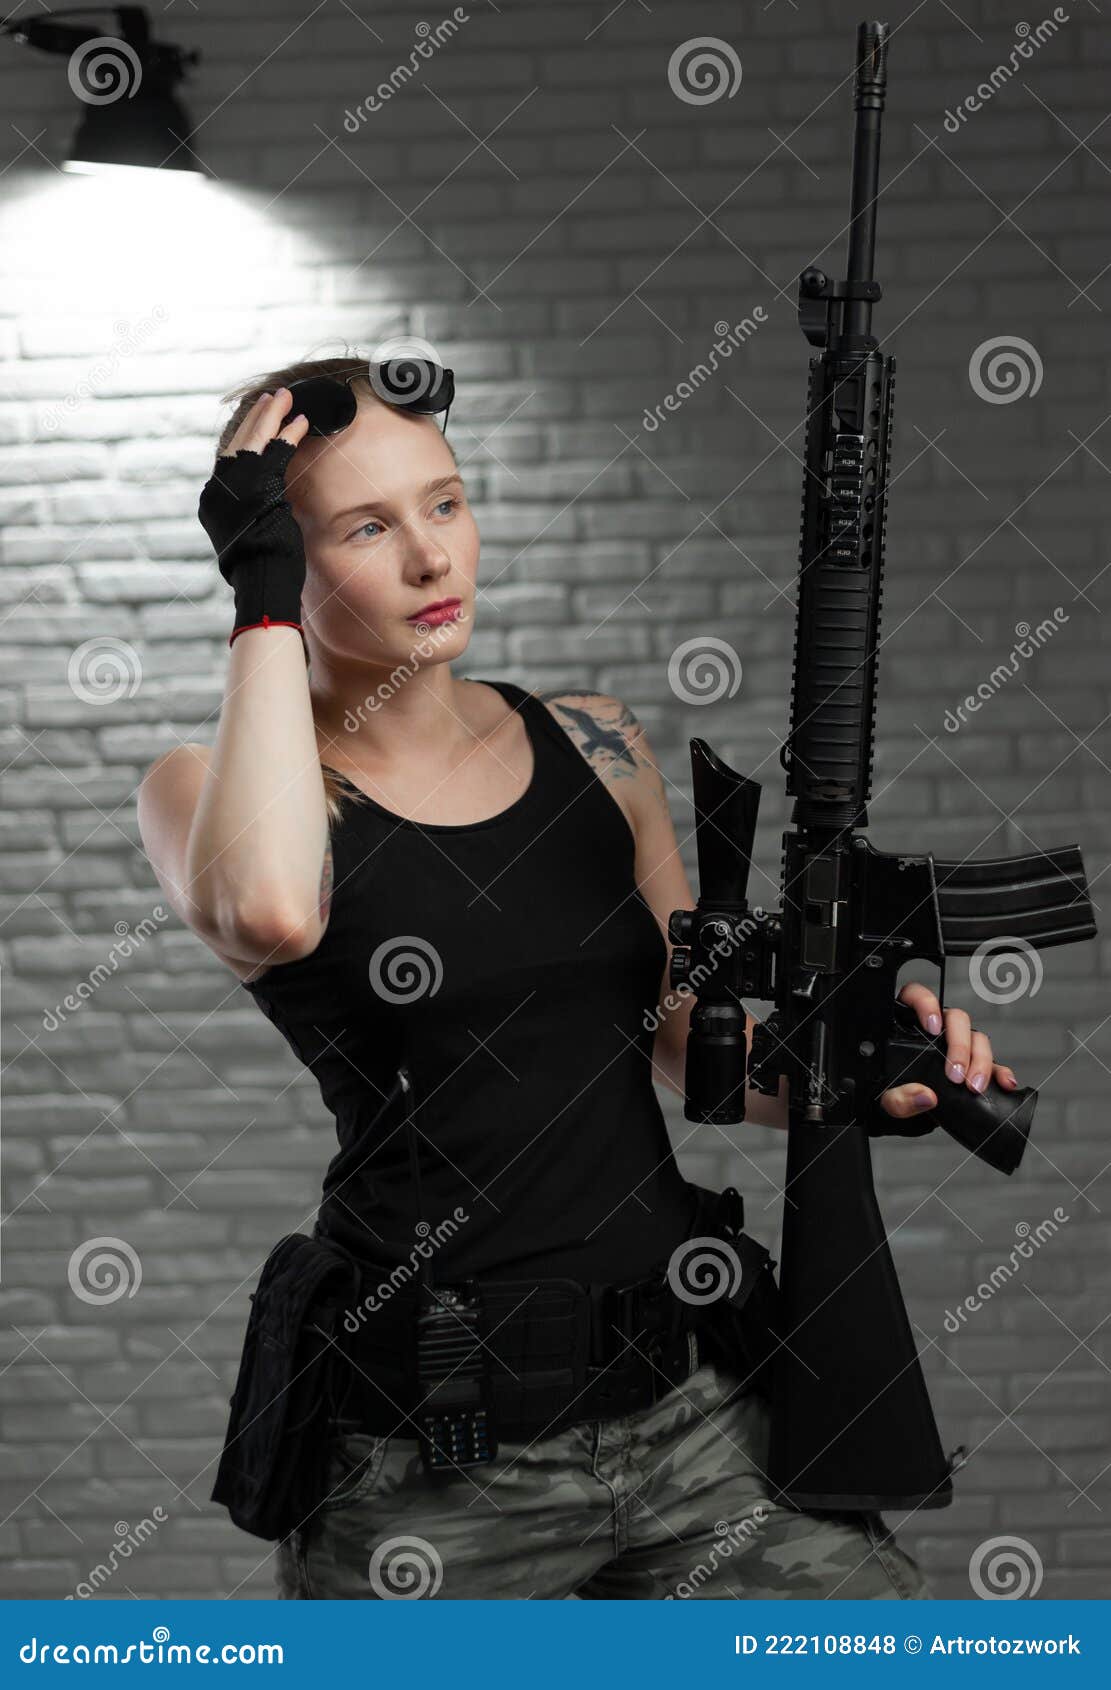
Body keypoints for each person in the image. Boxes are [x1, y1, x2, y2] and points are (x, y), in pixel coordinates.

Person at [137, 354, 1021, 1600]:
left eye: (446, 503)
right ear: (277, 555)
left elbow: (686, 1042)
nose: (433, 558)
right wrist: (261, 603)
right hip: (435, 1461)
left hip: (687, 1407)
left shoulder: (594, 741)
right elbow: (273, 909)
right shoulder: (200, 790)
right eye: (366, 528)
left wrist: (864, 1070)